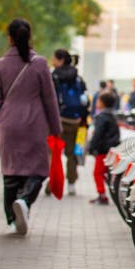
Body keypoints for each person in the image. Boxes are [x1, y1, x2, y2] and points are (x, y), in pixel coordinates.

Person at [0, 19, 61, 235]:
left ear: (9, 38)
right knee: (38, 170)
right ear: (29, 37)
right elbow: (49, 99)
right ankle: (24, 200)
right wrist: (55, 128)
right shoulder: (40, 64)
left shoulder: (0, 64)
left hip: (8, 124)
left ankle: (12, 219)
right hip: (34, 124)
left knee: (11, 173)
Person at [51, 48, 88, 196]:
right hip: (76, 121)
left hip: (57, 120)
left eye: (54, 59)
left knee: (54, 153)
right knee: (72, 153)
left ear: (60, 60)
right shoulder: (78, 78)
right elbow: (85, 100)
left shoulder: (54, 76)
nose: (52, 62)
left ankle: (51, 184)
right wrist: (84, 120)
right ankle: (71, 184)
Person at [87, 91, 120, 204]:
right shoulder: (112, 116)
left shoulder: (101, 117)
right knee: (105, 173)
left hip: (102, 150)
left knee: (97, 173)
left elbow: (98, 134)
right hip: (110, 149)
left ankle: (102, 195)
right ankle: (105, 193)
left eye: (99, 101)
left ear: (102, 103)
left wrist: (92, 147)